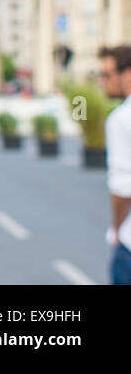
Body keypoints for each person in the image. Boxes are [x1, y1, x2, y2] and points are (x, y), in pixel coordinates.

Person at [97, 44, 131, 285]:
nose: (101, 82)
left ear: (127, 74)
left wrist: (117, 230)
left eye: (107, 75)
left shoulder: (121, 119)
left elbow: (123, 188)